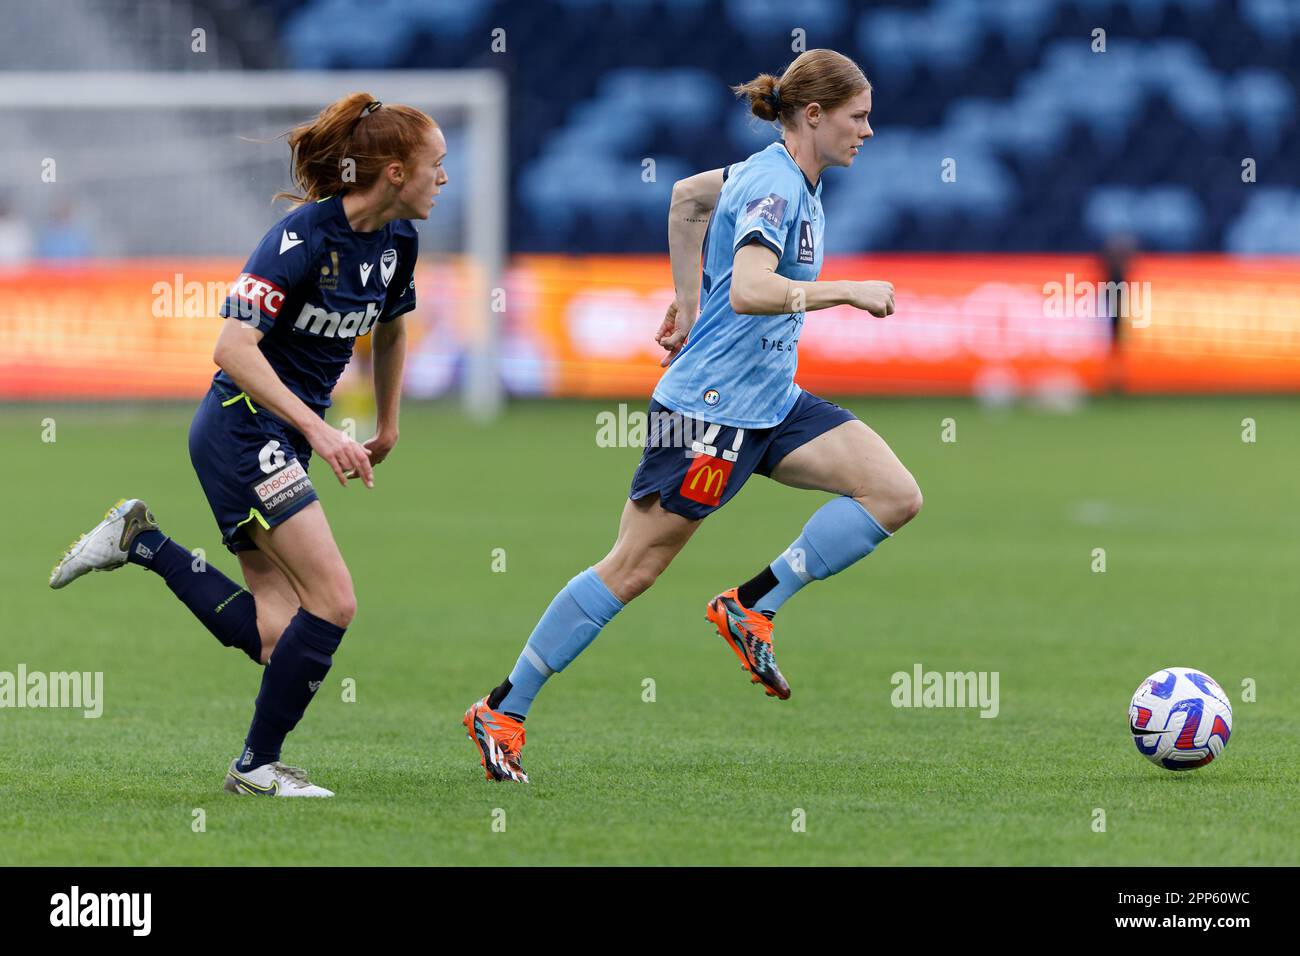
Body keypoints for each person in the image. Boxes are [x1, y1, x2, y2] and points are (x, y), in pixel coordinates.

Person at [464, 49, 921, 783]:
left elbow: (684, 198)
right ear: (814, 115)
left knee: (894, 494)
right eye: (857, 117)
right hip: (709, 415)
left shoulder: (774, 172)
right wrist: (846, 291)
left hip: (770, 401)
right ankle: (503, 708)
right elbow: (749, 288)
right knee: (633, 568)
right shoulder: (775, 185)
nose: (868, 130)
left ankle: (752, 605)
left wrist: (683, 299)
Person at [49, 93, 446, 797]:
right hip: (240, 425)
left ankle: (141, 541)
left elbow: (389, 327)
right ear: (392, 172)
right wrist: (322, 431)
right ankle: (254, 767)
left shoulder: (399, 245)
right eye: (435, 165)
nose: (443, 178)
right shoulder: (300, 239)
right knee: (335, 601)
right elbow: (232, 346)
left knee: (275, 636)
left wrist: (387, 422)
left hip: (278, 436)